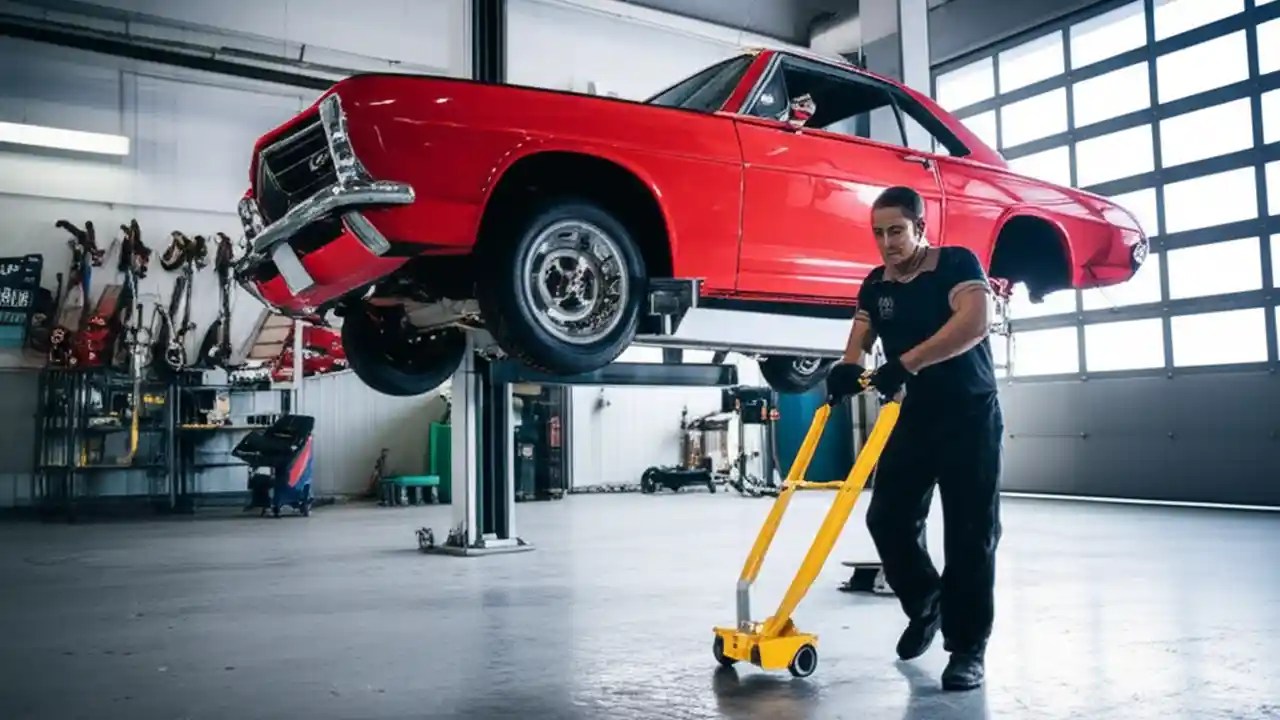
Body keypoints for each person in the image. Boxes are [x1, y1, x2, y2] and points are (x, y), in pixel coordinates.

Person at [825, 185, 1004, 692]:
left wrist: (905, 363)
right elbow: (863, 328)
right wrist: (848, 365)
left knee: (971, 533)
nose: (887, 242)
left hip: (970, 415)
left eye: (897, 231)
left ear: (920, 228)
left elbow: (975, 323)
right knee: (888, 519)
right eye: (879, 233)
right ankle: (927, 602)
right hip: (914, 415)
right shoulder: (877, 282)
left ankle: (967, 647)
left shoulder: (955, 265)